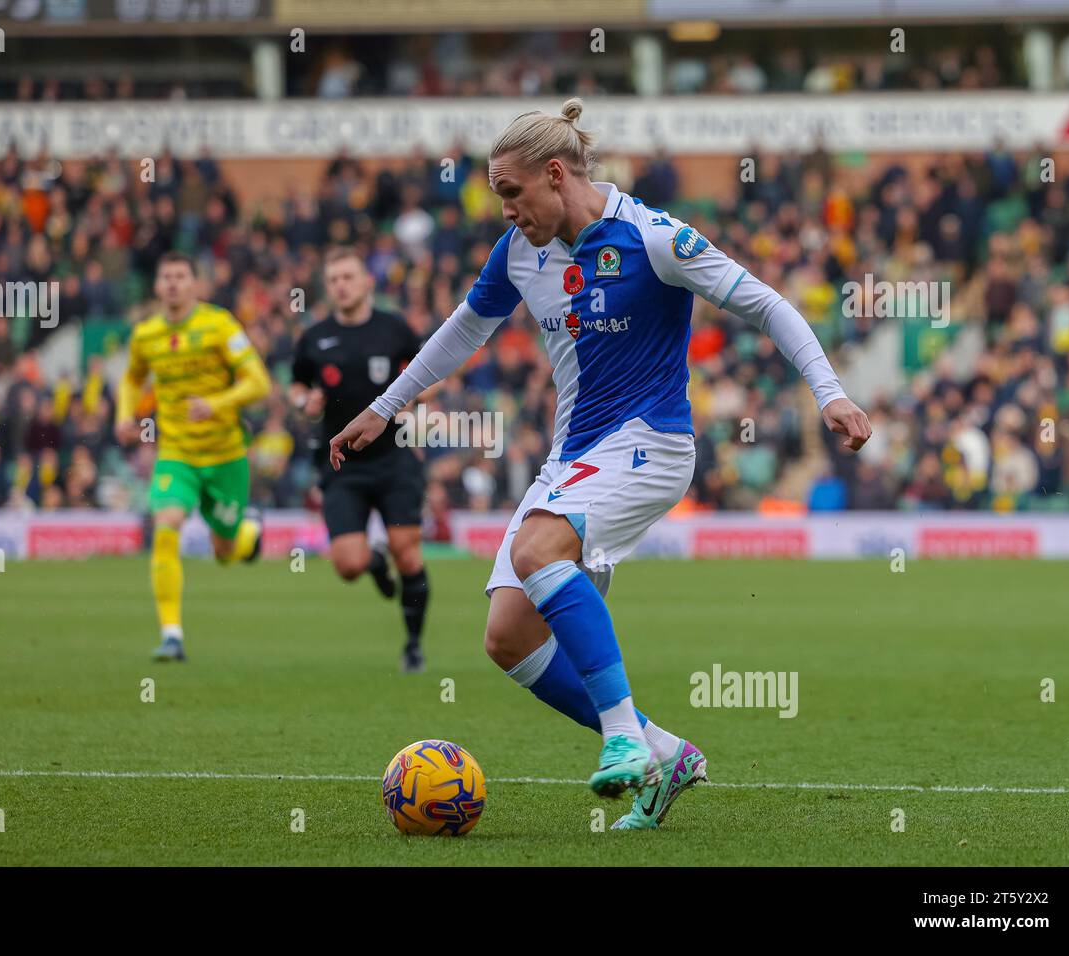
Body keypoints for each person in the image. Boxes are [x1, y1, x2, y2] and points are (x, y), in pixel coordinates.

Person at [330, 99, 872, 829]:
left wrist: (830, 394)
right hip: (575, 455)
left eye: (513, 194)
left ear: (555, 174)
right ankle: (663, 750)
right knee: (508, 636)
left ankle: (622, 739)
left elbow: (768, 304)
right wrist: (385, 406)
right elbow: (466, 329)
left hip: (652, 443)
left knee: (536, 547)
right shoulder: (519, 251)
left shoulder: (654, 238)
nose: (507, 211)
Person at [115, 251, 272, 661]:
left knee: (224, 552)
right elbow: (131, 380)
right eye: (165, 277)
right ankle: (172, 635)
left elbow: (259, 382)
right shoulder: (145, 334)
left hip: (225, 455)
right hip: (177, 453)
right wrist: (125, 414)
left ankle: (248, 535)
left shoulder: (219, 325)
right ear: (156, 285)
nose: (172, 284)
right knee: (166, 526)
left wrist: (217, 403)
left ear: (194, 284)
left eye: (180, 277)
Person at [291, 246, 429, 673]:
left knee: (408, 554)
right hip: (341, 464)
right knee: (348, 565)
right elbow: (296, 386)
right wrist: (304, 401)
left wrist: (419, 407)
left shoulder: (394, 329)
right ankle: (373, 562)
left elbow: (423, 375)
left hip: (394, 458)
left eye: (348, 277)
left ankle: (412, 646)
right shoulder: (314, 338)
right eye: (333, 280)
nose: (340, 285)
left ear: (368, 282)